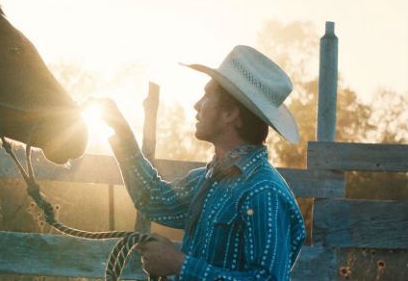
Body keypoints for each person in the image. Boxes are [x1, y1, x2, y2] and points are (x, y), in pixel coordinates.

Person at [97, 45, 306, 280]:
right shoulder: (208, 180)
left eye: (207, 95)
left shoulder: (264, 192)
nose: (197, 105)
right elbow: (153, 199)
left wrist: (179, 264)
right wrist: (123, 134)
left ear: (230, 114)